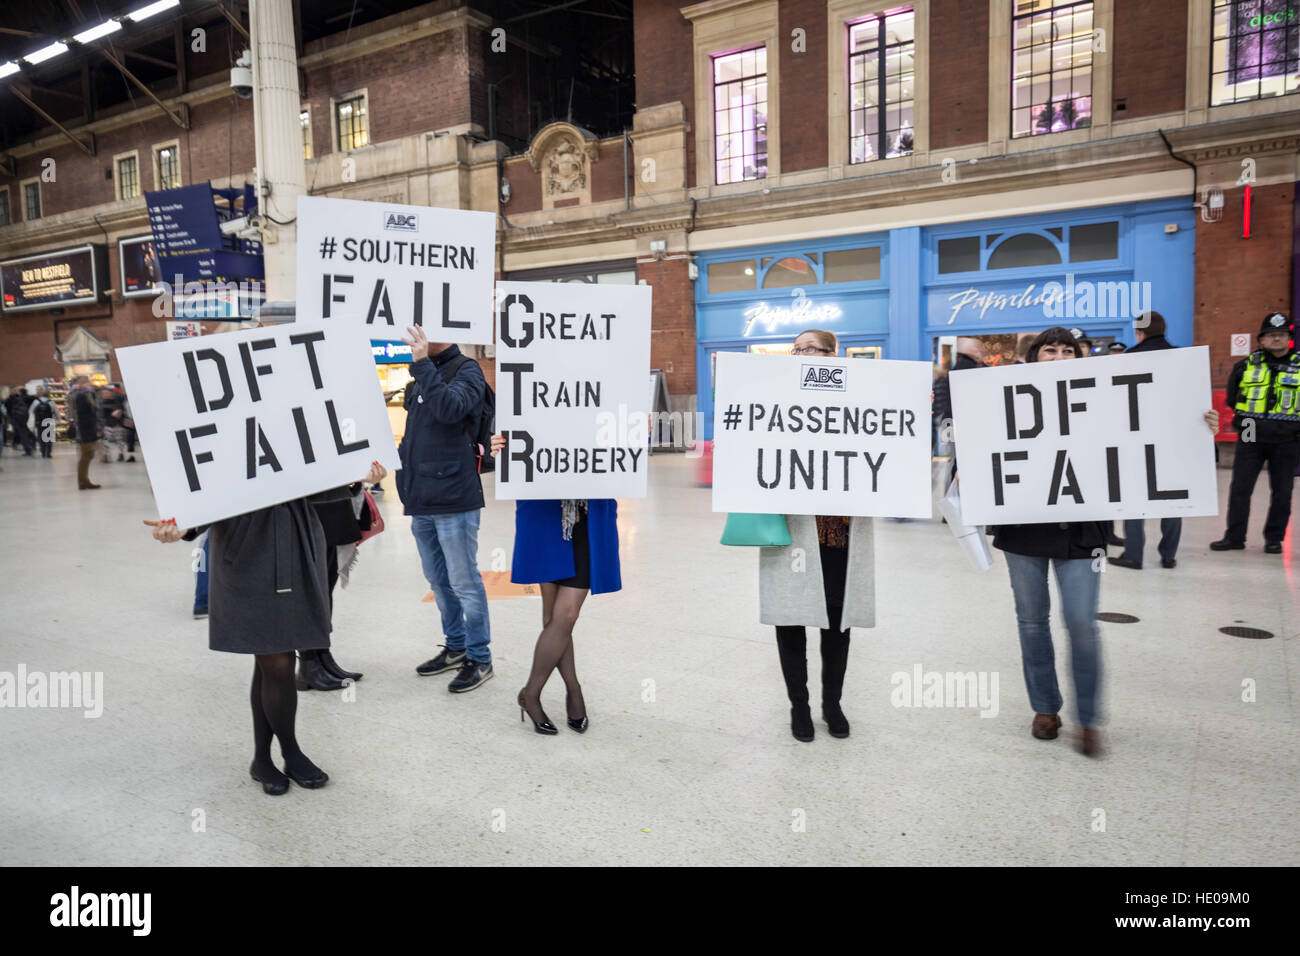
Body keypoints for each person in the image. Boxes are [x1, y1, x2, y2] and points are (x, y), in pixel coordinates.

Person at [987, 328, 1219, 757]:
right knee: (1032, 621)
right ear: (1034, 357)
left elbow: (1150, 431)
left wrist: (1197, 425)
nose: (1057, 358)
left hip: (1083, 533)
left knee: (1082, 623)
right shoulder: (1006, 398)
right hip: (1023, 530)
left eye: (1067, 351)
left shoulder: (1105, 399)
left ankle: (1089, 718)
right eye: (1049, 351)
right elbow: (987, 446)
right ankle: (1045, 708)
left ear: (1081, 357)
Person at [763, 329, 876, 742]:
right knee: (790, 617)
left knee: (837, 621)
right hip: (793, 527)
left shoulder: (860, 398)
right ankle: (800, 706)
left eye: (813, 348)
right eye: (798, 349)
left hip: (840, 529)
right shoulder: (775, 398)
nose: (804, 354)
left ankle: (833, 703)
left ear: (834, 354)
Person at [489, 436, 615, 734]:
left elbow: (630, 444)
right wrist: (499, 446)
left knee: (566, 614)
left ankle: (531, 692)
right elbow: (512, 436)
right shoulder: (533, 389)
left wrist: (636, 434)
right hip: (544, 508)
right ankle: (572, 690)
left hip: (590, 509)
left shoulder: (606, 392)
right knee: (553, 615)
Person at [399, 324, 494, 693]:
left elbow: (450, 410)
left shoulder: (466, 369)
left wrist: (422, 365)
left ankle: (480, 657)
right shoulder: (422, 375)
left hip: (455, 498)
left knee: (464, 580)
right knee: (438, 580)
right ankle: (455, 646)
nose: (416, 334)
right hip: (421, 497)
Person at [1211, 312, 1300, 554]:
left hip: (1287, 438)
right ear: (1261, 340)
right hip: (1251, 434)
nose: (1276, 339)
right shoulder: (1246, 365)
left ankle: (1274, 539)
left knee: (1282, 492)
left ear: (1289, 338)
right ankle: (1234, 537)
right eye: (1271, 335)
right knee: (1240, 487)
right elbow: (1232, 397)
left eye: (1281, 335)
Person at [1109, 312, 1183, 569]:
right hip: (1172, 437)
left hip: (1136, 437)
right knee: (1172, 497)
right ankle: (1169, 554)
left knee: (1135, 496)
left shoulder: (1128, 358)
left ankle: (1133, 554)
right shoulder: (1181, 357)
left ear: (1139, 333)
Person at [932, 336, 985, 482]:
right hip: (960, 424)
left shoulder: (960, 367)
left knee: (955, 458)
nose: (982, 352)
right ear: (972, 351)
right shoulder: (968, 369)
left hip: (951, 422)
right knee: (959, 459)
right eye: (978, 349)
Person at [70, 376, 100, 489]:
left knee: (89, 455)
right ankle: (82, 482)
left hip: (90, 428)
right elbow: (82, 415)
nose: (88, 384)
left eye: (87, 382)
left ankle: (85, 480)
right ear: (80, 383)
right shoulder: (80, 396)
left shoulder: (88, 394)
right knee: (85, 455)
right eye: (85, 382)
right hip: (85, 429)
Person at [28, 386, 57, 459]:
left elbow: (31, 411)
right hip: (49, 421)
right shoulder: (51, 402)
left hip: (39, 421)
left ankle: (43, 452)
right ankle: (49, 452)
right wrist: (58, 419)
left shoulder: (36, 401)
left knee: (41, 437)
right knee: (49, 437)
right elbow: (56, 411)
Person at [7, 386, 34, 456]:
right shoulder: (17, 398)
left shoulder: (16, 399)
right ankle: (27, 446)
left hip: (18, 419)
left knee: (22, 434)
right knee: (21, 433)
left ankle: (28, 449)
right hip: (21, 418)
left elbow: (8, 409)